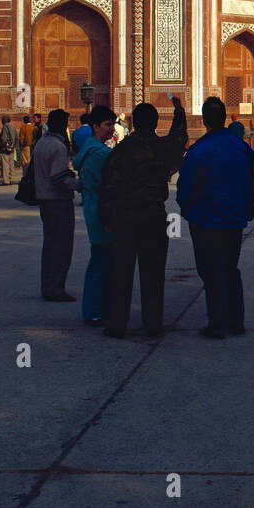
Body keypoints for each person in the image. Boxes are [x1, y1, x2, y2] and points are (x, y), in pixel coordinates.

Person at [100, 96, 188, 338]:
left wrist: (105, 218)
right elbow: (179, 139)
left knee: (121, 272)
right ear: (156, 122)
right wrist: (179, 111)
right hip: (153, 217)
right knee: (153, 272)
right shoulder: (162, 149)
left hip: (125, 218)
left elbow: (107, 187)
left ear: (134, 123)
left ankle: (117, 324)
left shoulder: (121, 150)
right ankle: (153, 322)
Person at [176, 96, 254, 339]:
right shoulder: (242, 147)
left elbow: (186, 188)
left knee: (211, 271)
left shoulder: (199, 150)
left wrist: (188, 209)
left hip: (205, 221)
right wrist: (243, 203)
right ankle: (236, 322)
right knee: (230, 269)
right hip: (233, 219)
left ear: (204, 120)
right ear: (224, 117)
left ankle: (217, 324)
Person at [74, 106, 118, 327]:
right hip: (102, 209)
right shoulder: (101, 153)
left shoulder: (90, 149)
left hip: (94, 206)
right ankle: (94, 310)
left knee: (100, 260)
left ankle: (96, 308)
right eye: (107, 124)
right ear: (95, 126)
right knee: (102, 262)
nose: (112, 129)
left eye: (112, 124)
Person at [33, 108, 77, 301]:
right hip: (58, 201)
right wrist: (79, 185)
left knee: (50, 244)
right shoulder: (58, 147)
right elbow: (59, 178)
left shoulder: (42, 143)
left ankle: (47, 286)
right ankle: (56, 289)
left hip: (44, 199)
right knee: (61, 246)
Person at [0, 115, 20, 185]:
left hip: (5, 149)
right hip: (12, 148)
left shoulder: (4, 127)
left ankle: (6, 180)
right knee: (11, 164)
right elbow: (17, 137)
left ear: (4, 121)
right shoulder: (13, 127)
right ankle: (11, 179)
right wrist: (14, 146)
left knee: (5, 165)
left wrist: (3, 146)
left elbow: (3, 138)